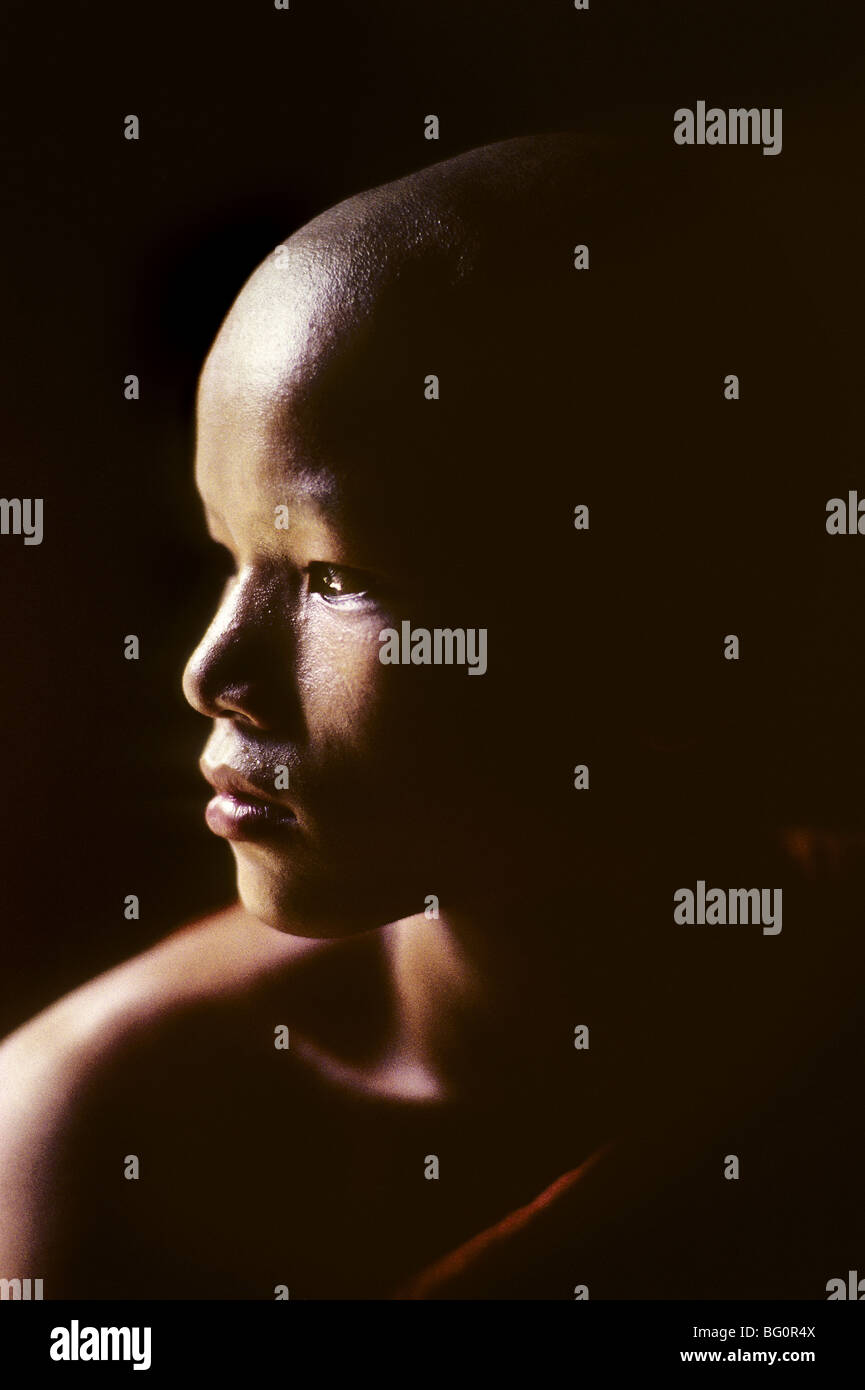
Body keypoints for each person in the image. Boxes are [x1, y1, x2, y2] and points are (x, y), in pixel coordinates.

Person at [0, 133, 860, 1299]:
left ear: (664, 637)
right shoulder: (89, 1136)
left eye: (333, 577)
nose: (211, 670)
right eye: (225, 553)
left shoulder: (818, 1029)